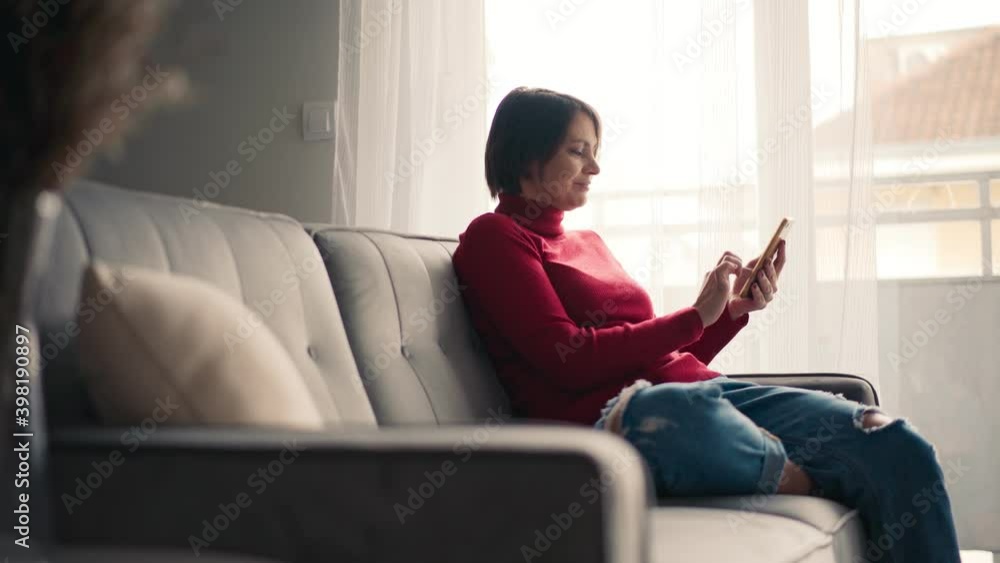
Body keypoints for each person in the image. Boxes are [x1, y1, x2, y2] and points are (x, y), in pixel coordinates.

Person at [452, 86, 961, 563]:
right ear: (528, 156)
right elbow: (567, 358)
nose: (595, 167)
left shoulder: (589, 243)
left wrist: (731, 313)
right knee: (669, 410)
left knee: (893, 441)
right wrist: (695, 316)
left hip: (703, 398)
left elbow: (659, 357)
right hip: (618, 426)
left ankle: (766, 458)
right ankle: (802, 476)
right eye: (577, 151)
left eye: (595, 151)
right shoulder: (494, 236)